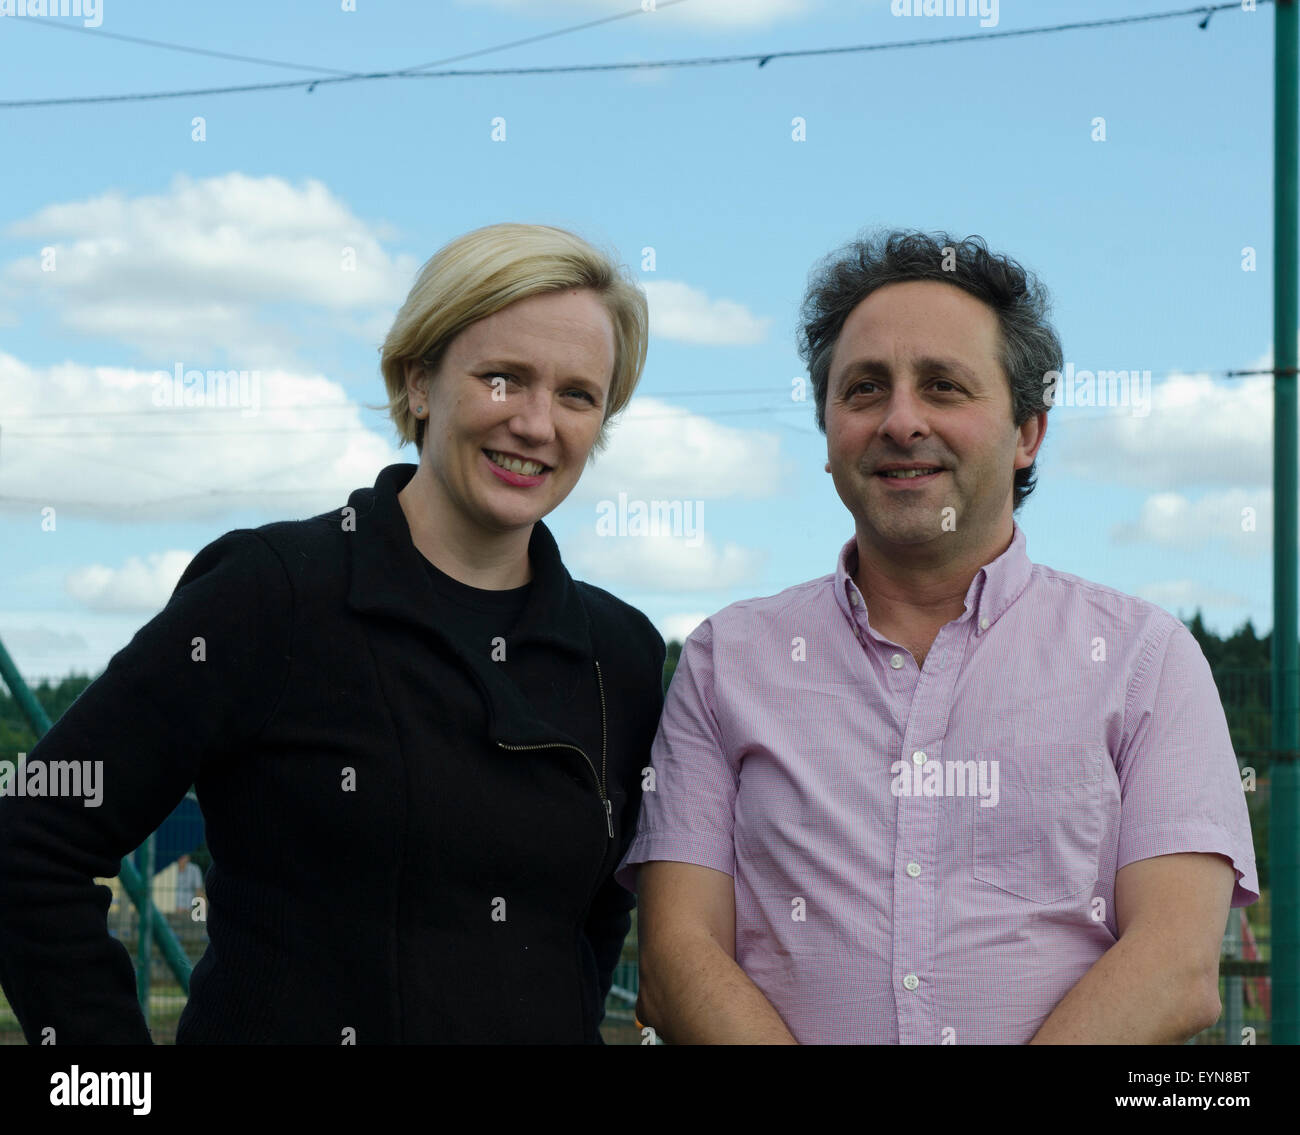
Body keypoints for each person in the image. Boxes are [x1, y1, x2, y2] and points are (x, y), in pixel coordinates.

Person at [0, 222, 665, 1044]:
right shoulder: (271, 592)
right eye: (502, 378)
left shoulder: (622, 655)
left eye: (576, 395)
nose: (536, 423)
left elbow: (591, 927)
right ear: (419, 381)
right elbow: (29, 837)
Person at [618, 229, 1258, 1045]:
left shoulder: (1145, 660)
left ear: (1029, 431)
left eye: (945, 387)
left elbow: (1175, 965)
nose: (901, 420)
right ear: (826, 429)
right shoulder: (723, 661)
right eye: (864, 389)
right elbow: (677, 959)